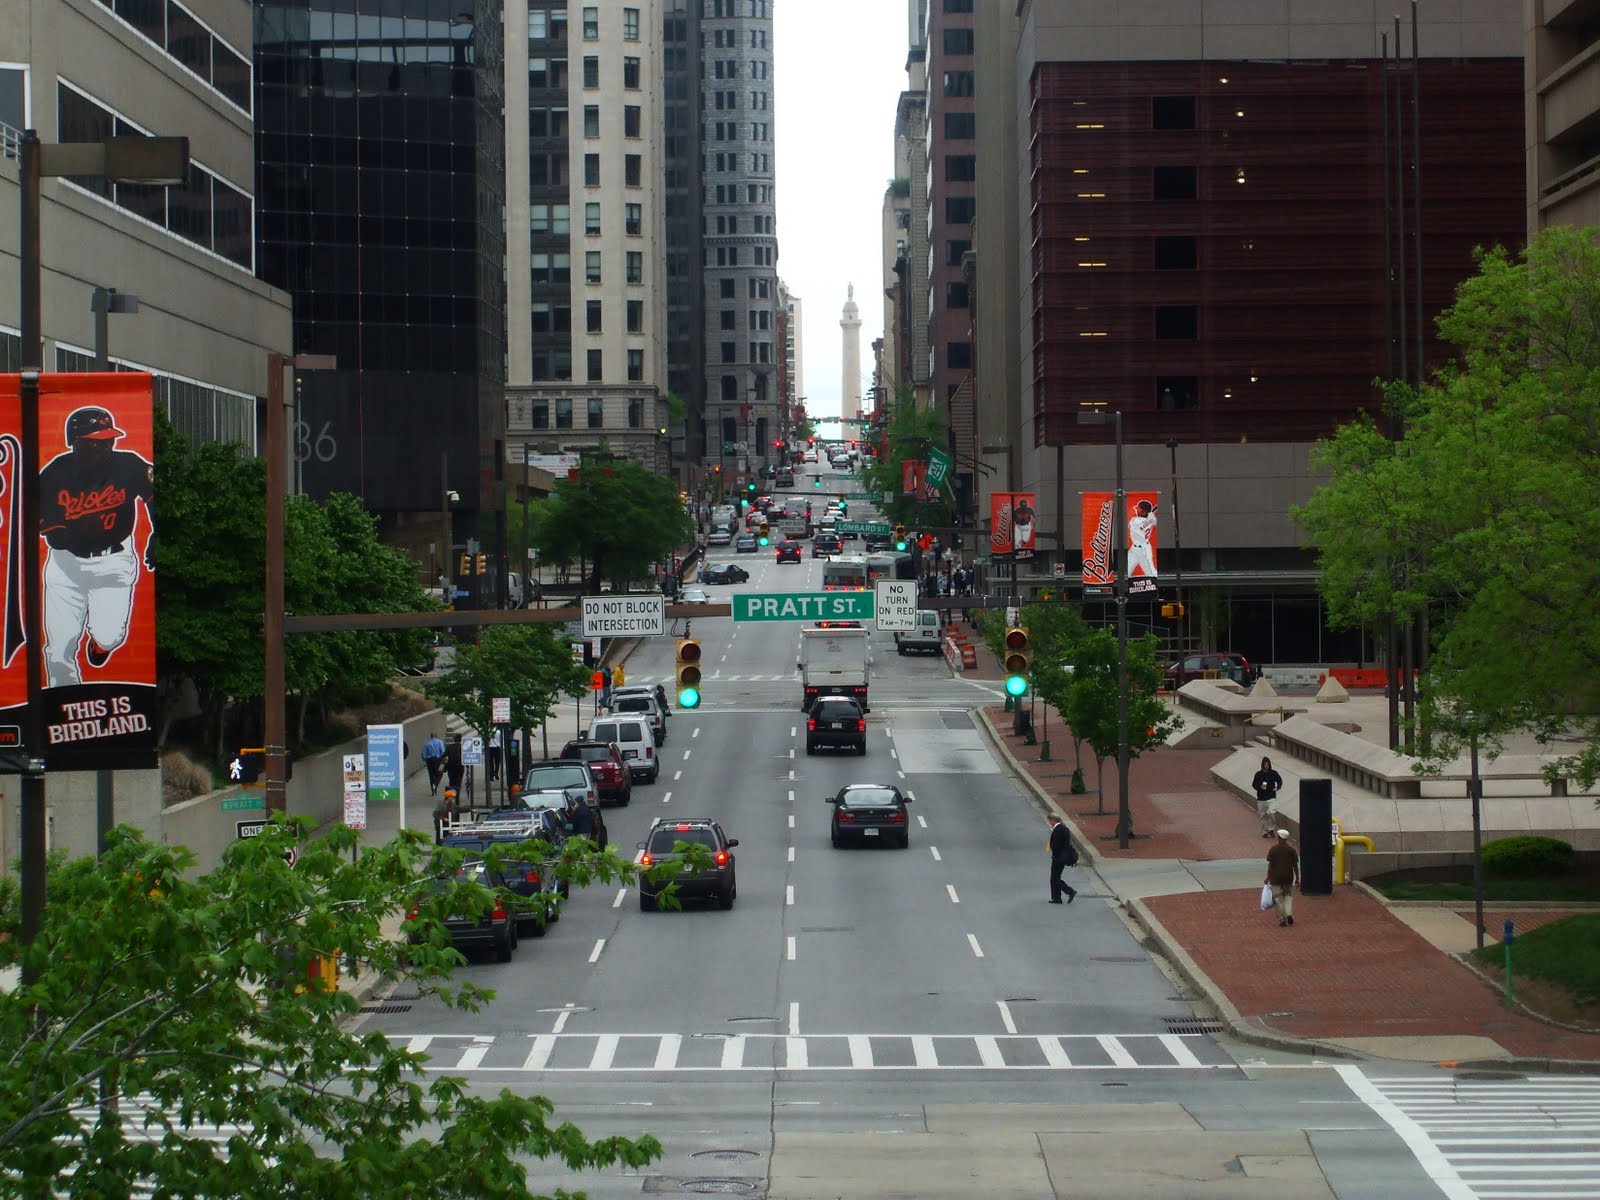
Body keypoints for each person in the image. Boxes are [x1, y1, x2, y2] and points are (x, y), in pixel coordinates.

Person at [39, 405, 155, 687]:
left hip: (114, 561)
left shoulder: (128, 464)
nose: (105, 446)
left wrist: (159, 534)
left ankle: (101, 644)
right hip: (66, 565)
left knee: (111, 636)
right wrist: (71, 533)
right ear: (75, 442)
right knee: (59, 649)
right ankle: (64, 701)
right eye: (96, 442)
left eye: (109, 440)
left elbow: (156, 495)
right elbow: (45, 524)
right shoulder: (55, 473)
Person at [1265, 829, 1301, 927]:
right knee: (1287, 896)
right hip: (1288, 877)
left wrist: (1267, 877)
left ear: (1279, 838)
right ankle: (1288, 913)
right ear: (1286, 839)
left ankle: (1282, 918)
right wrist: (1297, 878)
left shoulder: (1273, 849)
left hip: (1275, 877)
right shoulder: (1291, 850)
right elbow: (1295, 865)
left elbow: (1270, 865)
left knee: (1278, 898)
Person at [1047, 815, 1078, 904]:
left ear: (1053, 820)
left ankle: (1069, 891)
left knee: (1055, 878)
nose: (1050, 823)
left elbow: (1056, 845)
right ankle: (1057, 897)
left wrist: (1055, 855)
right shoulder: (1064, 829)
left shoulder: (1057, 830)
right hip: (1063, 857)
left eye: (1050, 821)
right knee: (1055, 877)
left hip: (1058, 858)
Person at [1252, 756, 1284, 838]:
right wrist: (1260, 787)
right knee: (1263, 815)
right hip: (1261, 798)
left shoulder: (1273, 773)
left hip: (1271, 796)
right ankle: (1265, 831)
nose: (1266, 766)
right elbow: (1254, 784)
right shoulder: (1258, 774)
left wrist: (1278, 787)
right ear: (1262, 765)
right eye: (1265, 764)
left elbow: (1279, 780)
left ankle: (1271, 829)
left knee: (1271, 812)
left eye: (1268, 764)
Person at [1128, 499, 1158, 577]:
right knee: (1126, 572)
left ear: (1144, 511)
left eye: (1139, 509)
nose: (1137, 510)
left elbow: (1134, 524)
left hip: (1145, 551)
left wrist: (1149, 515)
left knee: (1151, 574)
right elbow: (1154, 522)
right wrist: (1150, 515)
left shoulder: (1134, 521)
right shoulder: (1152, 518)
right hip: (1134, 550)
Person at [421, 731, 447, 796]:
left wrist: (425, 759)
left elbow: (423, 754)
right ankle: (435, 784)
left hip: (429, 761)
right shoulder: (440, 742)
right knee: (439, 774)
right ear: (436, 736)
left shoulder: (427, 743)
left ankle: (433, 791)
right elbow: (443, 752)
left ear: (431, 736)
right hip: (438, 760)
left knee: (431, 775)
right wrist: (443, 760)